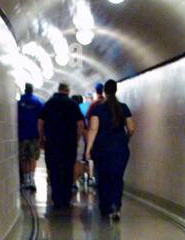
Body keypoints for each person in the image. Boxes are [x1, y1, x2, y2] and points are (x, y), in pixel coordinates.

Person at [84, 79, 135, 220]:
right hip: (120, 149)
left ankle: (105, 207)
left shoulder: (97, 108)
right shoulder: (123, 107)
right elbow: (131, 128)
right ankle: (116, 206)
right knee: (117, 177)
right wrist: (126, 140)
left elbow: (93, 129)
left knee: (104, 177)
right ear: (116, 90)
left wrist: (88, 149)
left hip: (102, 149)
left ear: (104, 91)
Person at [38, 82, 81, 210]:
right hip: (69, 143)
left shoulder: (49, 103)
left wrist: (41, 138)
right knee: (68, 171)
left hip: (52, 143)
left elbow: (40, 122)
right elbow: (80, 124)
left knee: (54, 170)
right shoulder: (72, 104)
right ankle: (66, 199)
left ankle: (56, 199)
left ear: (58, 89)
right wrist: (77, 139)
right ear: (68, 90)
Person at [17, 83, 43, 190]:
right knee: (32, 158)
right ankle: (32, 180)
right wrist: (41, 136)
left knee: (23, 158)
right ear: (32, 90)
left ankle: (26, 180)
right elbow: (41, 121)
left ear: (24, 89)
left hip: (22, 135)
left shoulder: (19, 102)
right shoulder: (38, 102)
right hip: (34, 135)